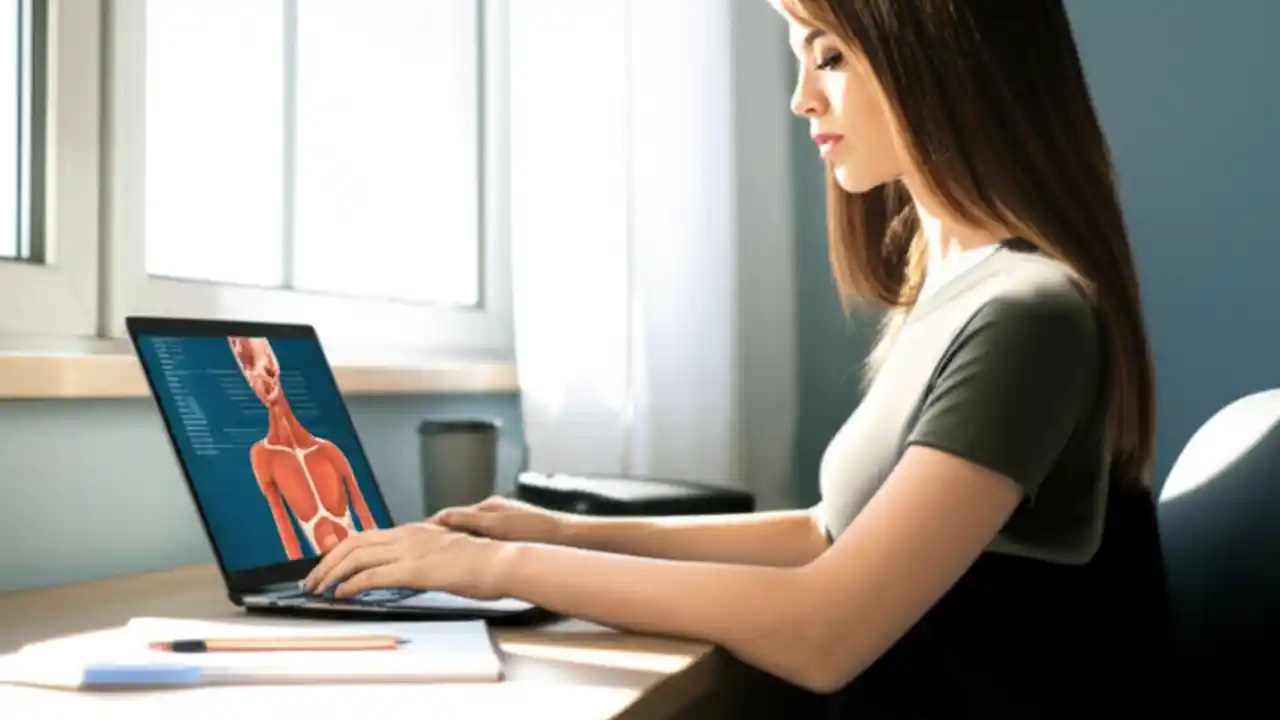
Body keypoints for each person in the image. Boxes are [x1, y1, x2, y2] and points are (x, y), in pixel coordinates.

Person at [303, 0, 1175, 712]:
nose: (801, 99)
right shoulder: (952, 292)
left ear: (941, 57)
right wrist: (562, 531)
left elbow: (826, 631)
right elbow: (826, 534)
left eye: (829, 56)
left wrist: (494, 569)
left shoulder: (1028, 316)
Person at [230, 336, 379, 559]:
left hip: (364, 560)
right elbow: (284, 527)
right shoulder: (262, 455)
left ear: (274, 363)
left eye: (265, 365)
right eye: (248, 366)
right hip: (324, 570)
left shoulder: (328, 450)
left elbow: (366, 517)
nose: (261, 378)